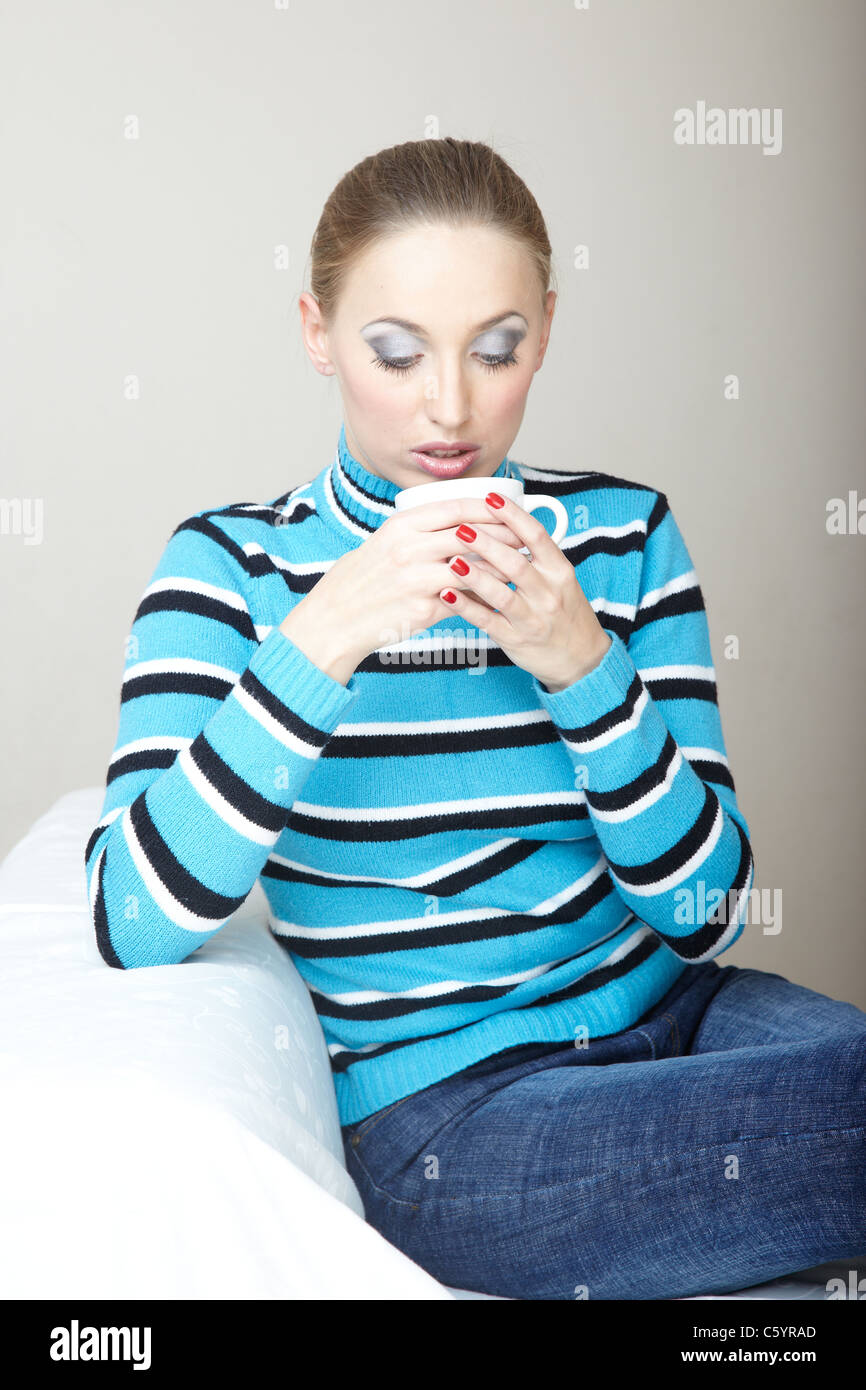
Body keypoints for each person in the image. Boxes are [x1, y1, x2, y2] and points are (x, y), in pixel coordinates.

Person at [85, 137, 866, 1300]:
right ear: (316, 334)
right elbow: (127, 917)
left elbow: (706, 915)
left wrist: (579, 664)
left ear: (543, 332)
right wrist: (326, 632)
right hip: (453, 1116)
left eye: (494, 350)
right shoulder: (229, 566)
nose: (446, 408)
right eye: (394, 354)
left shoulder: (622, 536)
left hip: (683, 1012)